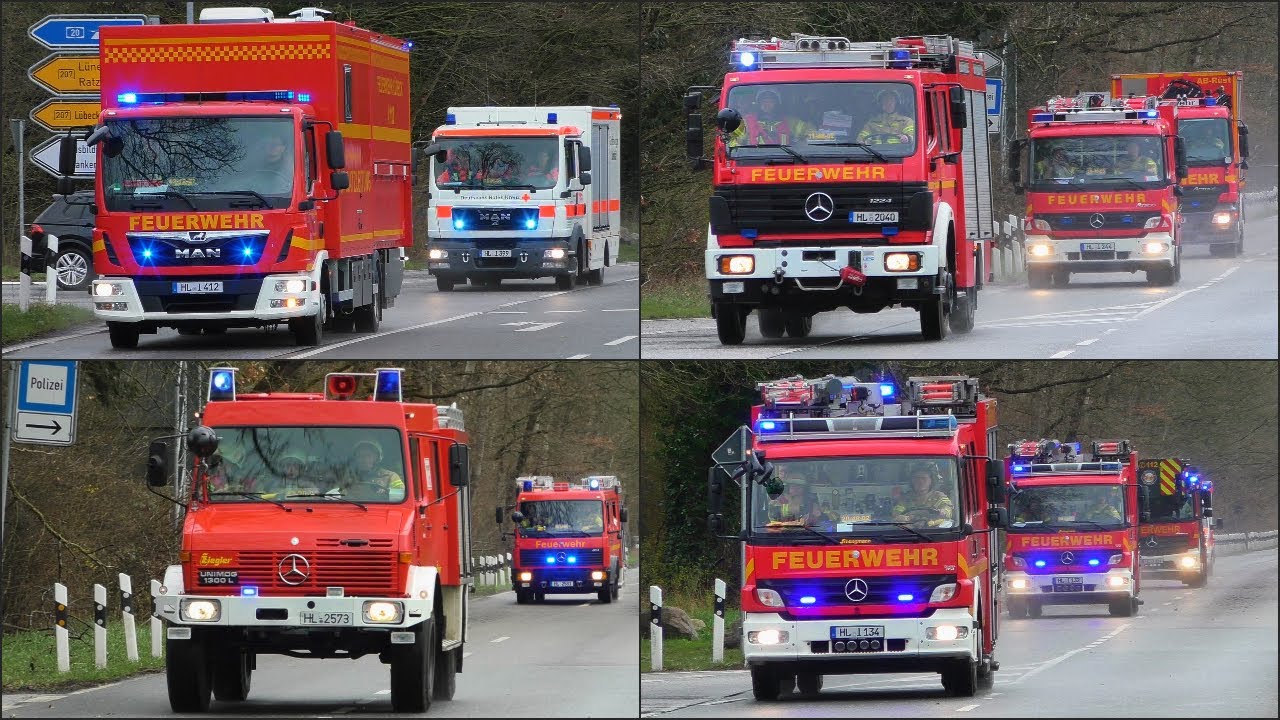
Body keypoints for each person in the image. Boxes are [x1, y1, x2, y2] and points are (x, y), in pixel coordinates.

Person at [729, 88, 797, 147]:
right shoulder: (747, 122)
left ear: (777, 103)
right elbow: (733, 142)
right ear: (758, 103)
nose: (766, 104)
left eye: (770, 101)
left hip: (785, 160)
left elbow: (806, 132)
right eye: (763, 101)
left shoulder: (789, 122)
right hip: (754, 160)